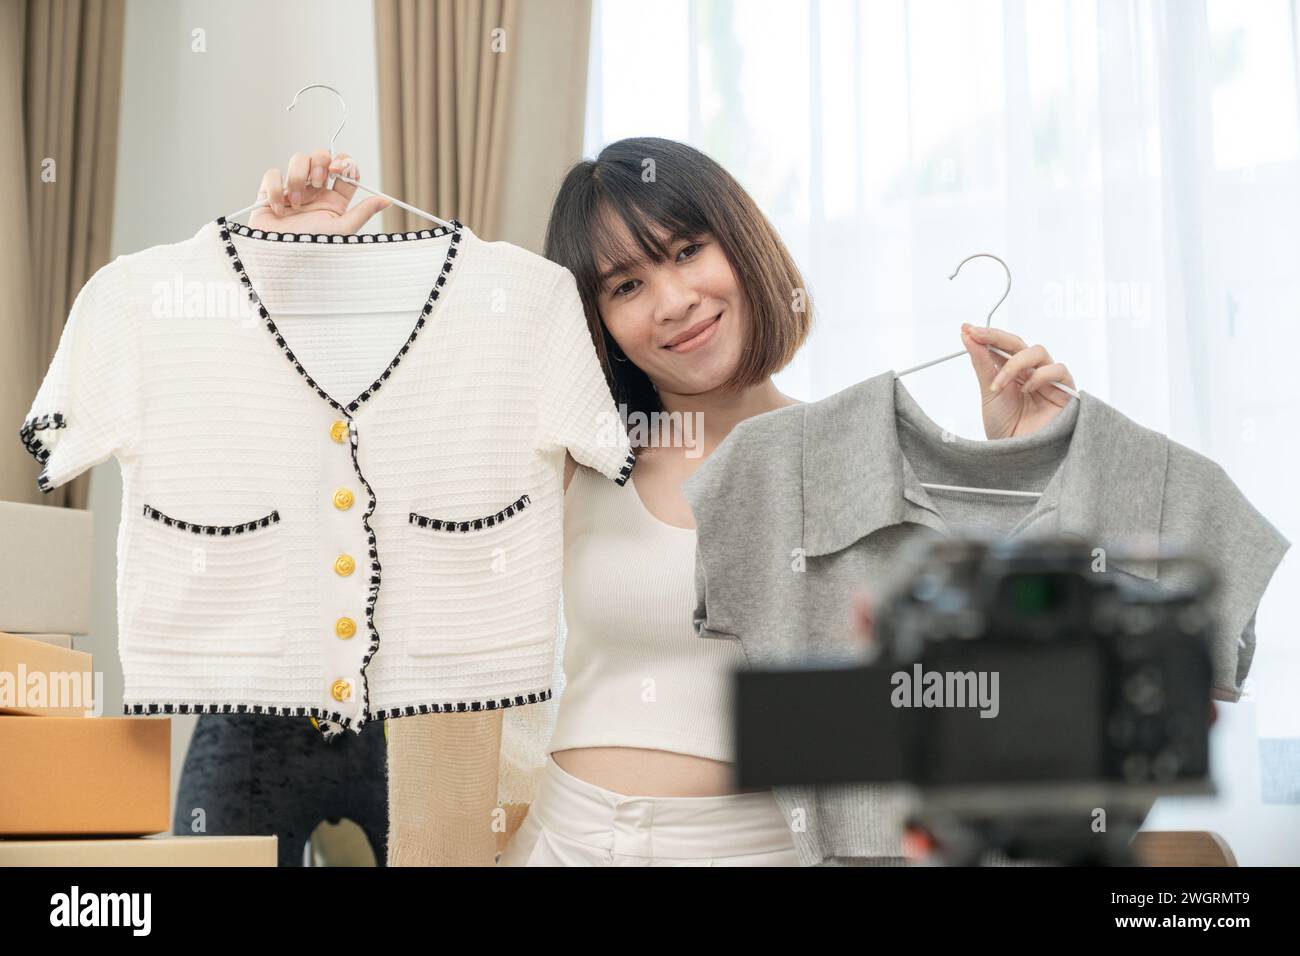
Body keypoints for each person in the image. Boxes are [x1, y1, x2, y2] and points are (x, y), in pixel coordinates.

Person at [246, 138, 1077, 866]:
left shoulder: (863, 452)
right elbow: (344, 474)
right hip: (566, 841)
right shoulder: (568, 456)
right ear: (597, 321)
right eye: (625, 285)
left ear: (744, 245)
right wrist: (300, 278)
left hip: (760, 848)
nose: (673, 301)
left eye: (686, 251)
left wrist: (1022, 460)